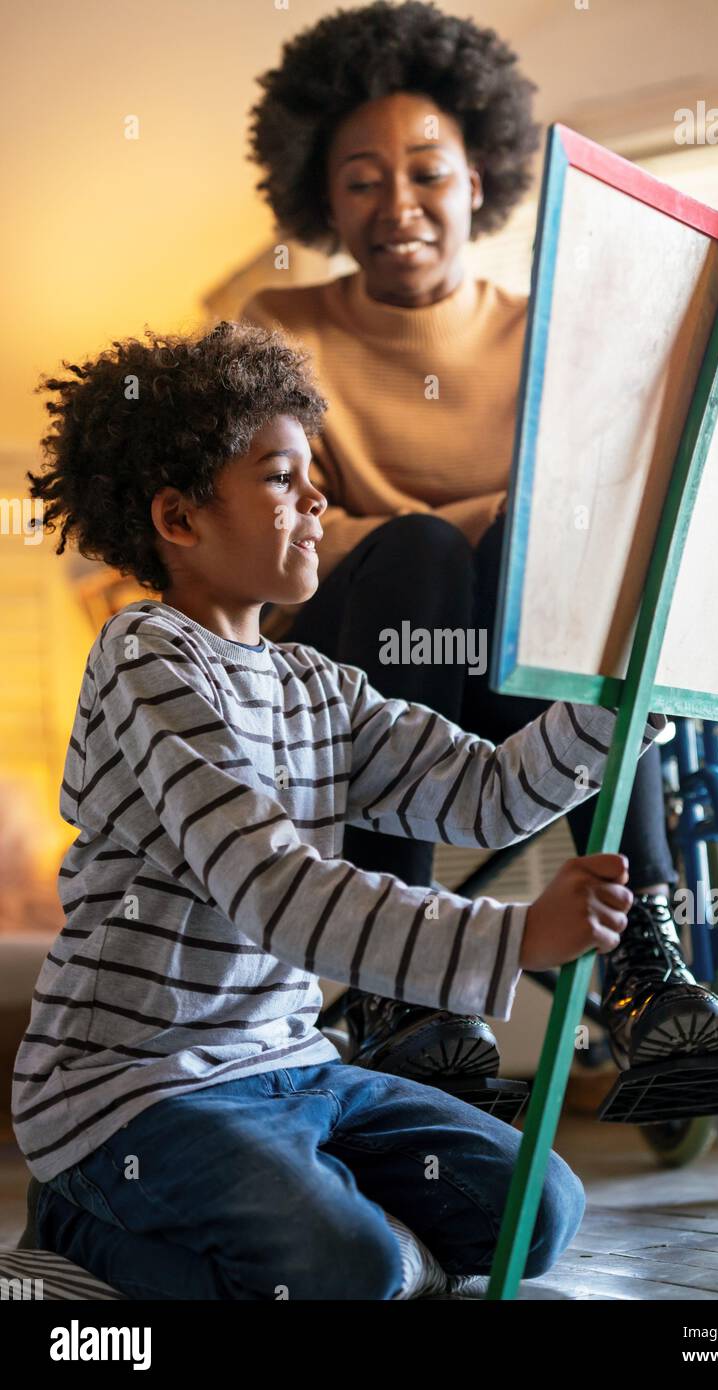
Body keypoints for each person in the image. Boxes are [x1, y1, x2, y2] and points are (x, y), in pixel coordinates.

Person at [16, 318, 668, 1299]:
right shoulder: (143, 659)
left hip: (289, 1064)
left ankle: (313, 1229)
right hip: (132, 1098)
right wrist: (515, 935)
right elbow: (274, 887)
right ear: (180, 519)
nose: (319, 497)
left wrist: (616, 708)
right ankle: (78, 1219)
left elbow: (487, 793)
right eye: (282, 476)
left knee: (536, 1210)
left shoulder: (317, 685)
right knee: (347, 1265)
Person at [241, 0, 718, 1080]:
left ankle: (645, 957)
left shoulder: (549, 331)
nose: (399, 203)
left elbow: (574, 524)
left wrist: (495, 535)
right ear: (322, 197)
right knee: (423, 552)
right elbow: (282, 523)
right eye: (361, 178)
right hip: (349, 677)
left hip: (514, 675)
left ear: (479, 180)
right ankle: (394, 983)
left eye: (427, 171)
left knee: (556, 561)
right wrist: (454, 530)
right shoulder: (277, 325)